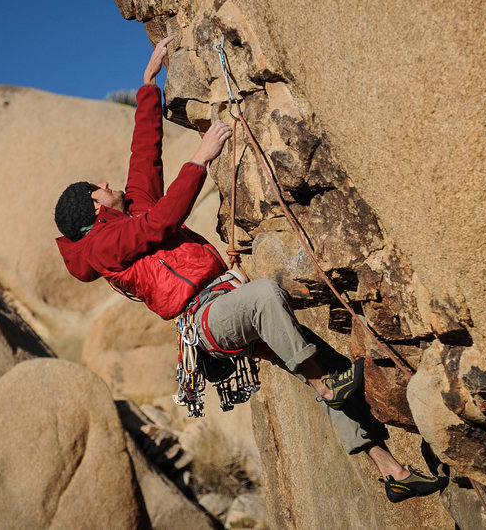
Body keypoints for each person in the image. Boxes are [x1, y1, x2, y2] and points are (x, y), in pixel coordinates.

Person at [53, 36, 446, 502]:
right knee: (267, 300)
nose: (104, 183)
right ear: (93, 213)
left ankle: (393, 473)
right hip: (207, 318)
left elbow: (144, 156)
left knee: (333, 368)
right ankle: (326, 386)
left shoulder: (131, 211)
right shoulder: (102, 247)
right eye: (96, 190)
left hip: (223, 299)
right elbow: (161, 225)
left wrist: (147, 85)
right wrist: (201, 159)